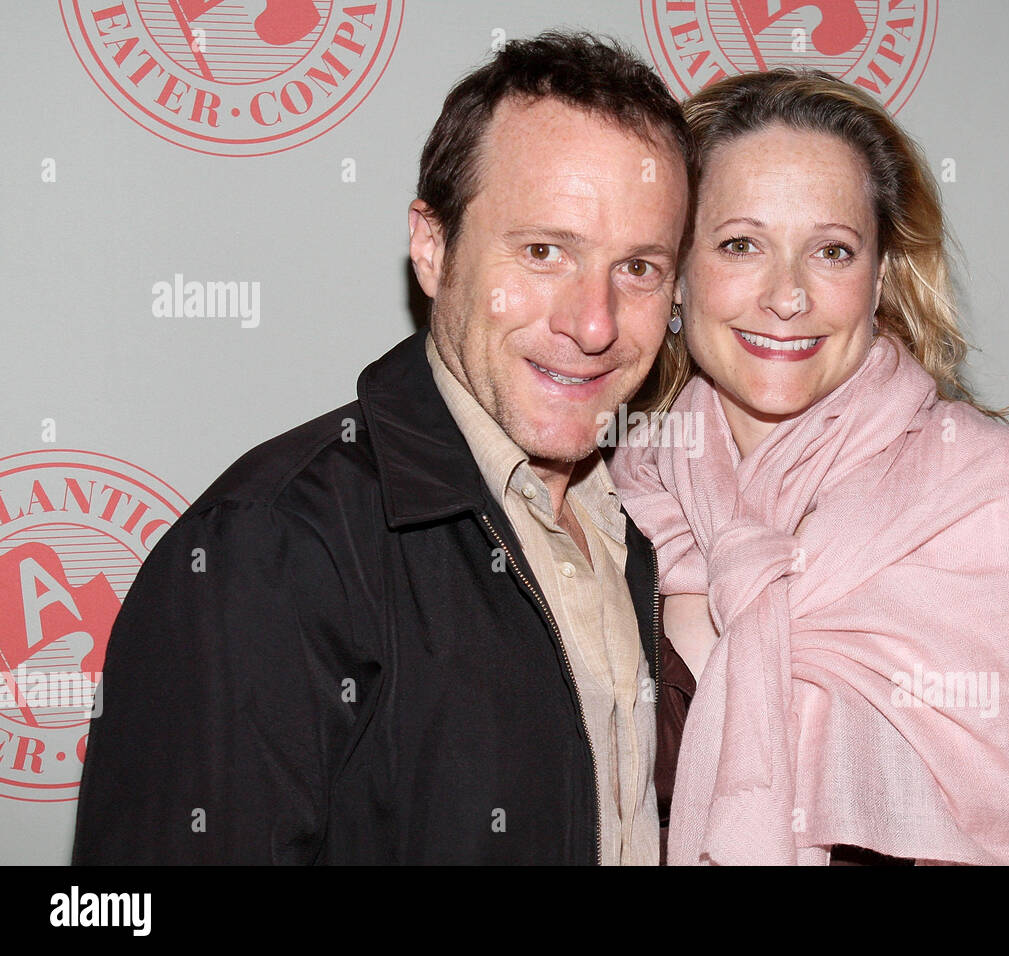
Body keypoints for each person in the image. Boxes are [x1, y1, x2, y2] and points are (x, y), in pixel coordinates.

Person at [72, 32, 692, 865]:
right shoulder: (272, 547)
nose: (593, 323)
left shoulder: (650, 526)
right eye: (544, 252)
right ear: (433, 249)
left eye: (639, 268)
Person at [609, 70, 1009, 866]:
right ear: (677, 269)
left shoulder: (996, 501)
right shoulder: (608, 500)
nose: (787, 296)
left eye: (832, 252)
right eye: (741, 244)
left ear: (879, 278)